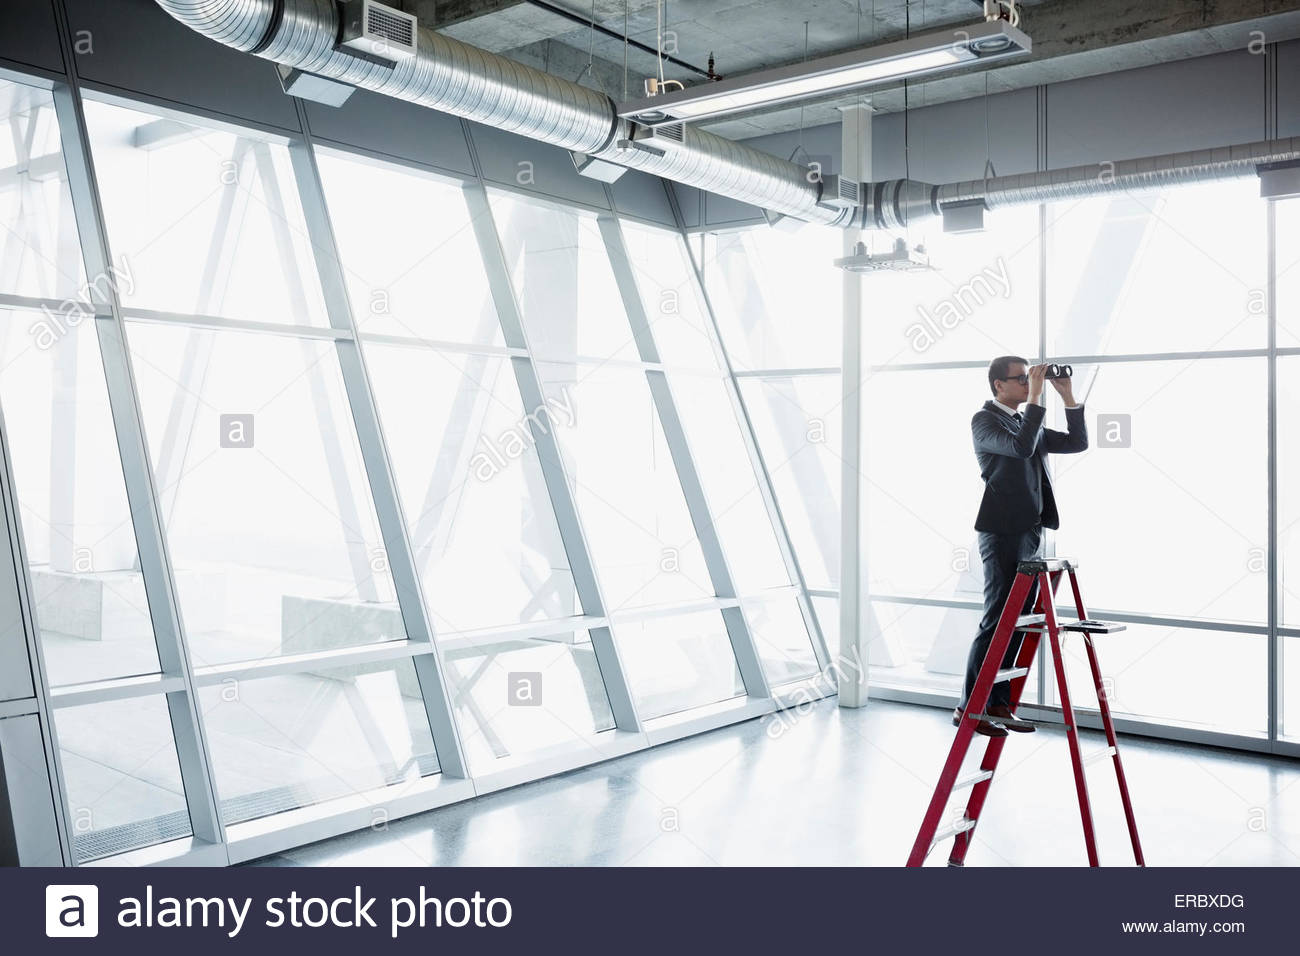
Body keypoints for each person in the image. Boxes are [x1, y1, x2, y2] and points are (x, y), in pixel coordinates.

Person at [956, 356, 1088, 737]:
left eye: (1029, 378)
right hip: (1001, 532)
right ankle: (971, 706)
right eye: (1021, 378)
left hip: (1031, 531)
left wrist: (1067, 396)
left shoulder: (1021, 420)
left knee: (1019, 617)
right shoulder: (984, 422)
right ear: (998, 385)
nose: (1029, 383)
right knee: (996, 615)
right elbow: (1022, 448)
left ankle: (997, 702)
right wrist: (1035, 398)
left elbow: (1077, 443)